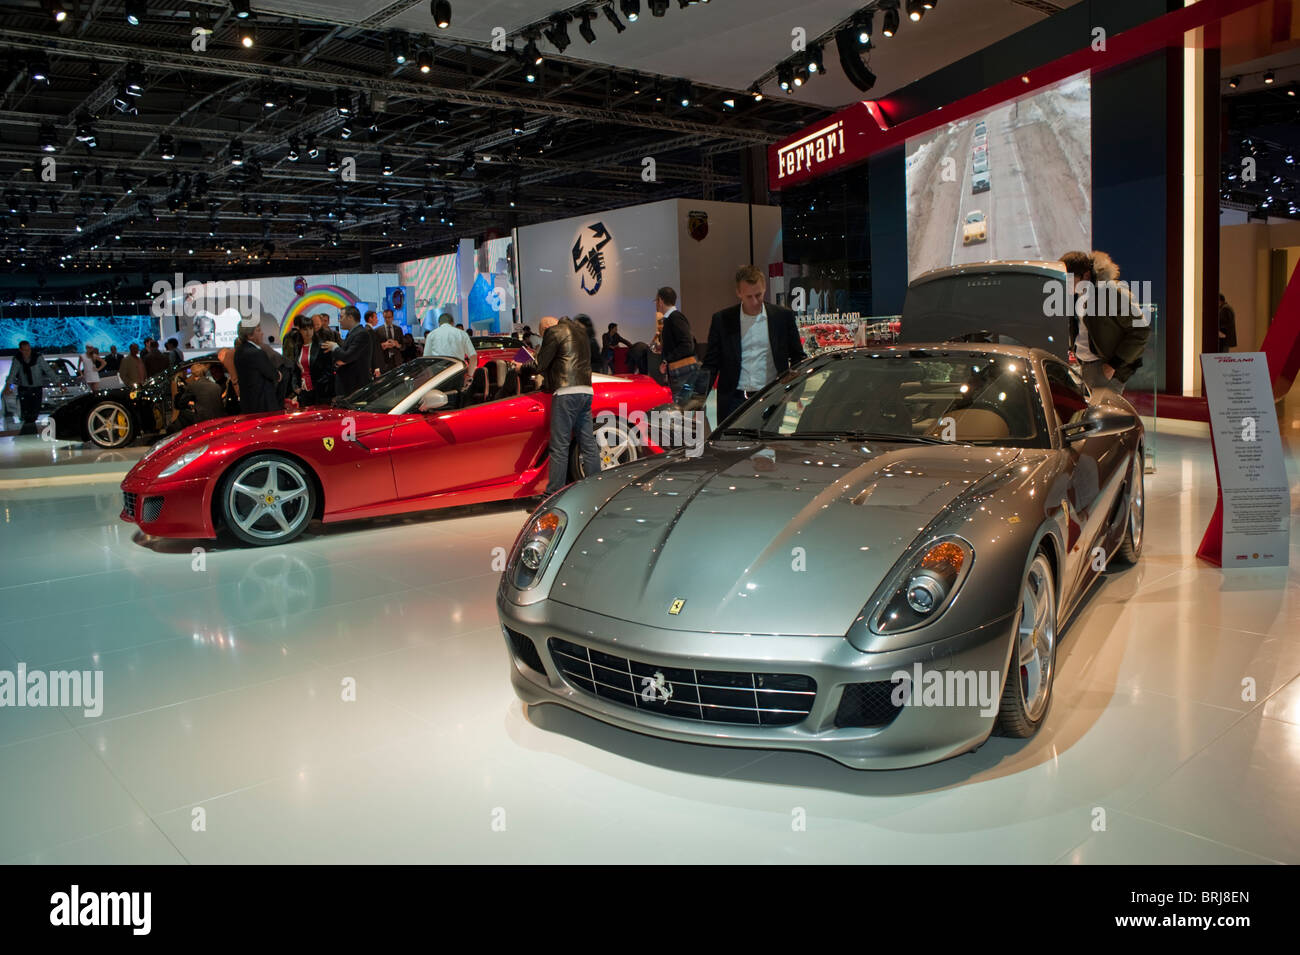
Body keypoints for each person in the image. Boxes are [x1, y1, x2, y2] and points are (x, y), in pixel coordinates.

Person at [704, 265, 806, 421]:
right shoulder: (722, 320)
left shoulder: (782, 317)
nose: (755, 301)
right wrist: (697, 397)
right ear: (739, 293)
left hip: (771, 396)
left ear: (764, 288)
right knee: (731, 444)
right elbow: (711, 364)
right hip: (733, 400)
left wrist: (793, 389)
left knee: (769, 444)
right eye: (749, 297)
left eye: (758, 295)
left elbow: (798, 357)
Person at [1061, 250, 1148, 393]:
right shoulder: (1078, 295)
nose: (1067, 285)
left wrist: (1114, 365)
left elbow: (1141, 331)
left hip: (1105, 369)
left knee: (1103, 414)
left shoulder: (1113, 292)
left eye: (1070, 280)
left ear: (1086, 275)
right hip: (1084, 367)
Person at [536, 315, 600, 492]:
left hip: (566, 393)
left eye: (541, 333)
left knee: (559, 446)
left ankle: (552, 494)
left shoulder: (553, 332)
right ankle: (597, 487)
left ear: (546, 328)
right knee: (588, 444)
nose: (543, 336)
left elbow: (540, 365)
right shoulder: (581, 333)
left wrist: (532, 357)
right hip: (586, 391)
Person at [657, 287, 701, 406]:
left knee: (685, 407)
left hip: (682, 372)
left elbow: (687, 344)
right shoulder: (673, 318)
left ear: (660, 300)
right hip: (681, 372)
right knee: (687, 407)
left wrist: (667, 359)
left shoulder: (675, 317)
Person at [4, 340, 57, 433]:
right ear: (20, 350)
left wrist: (58, 381)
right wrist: (8, 386)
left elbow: (47, 370)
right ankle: (28, 430)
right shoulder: (18, 359)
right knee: (26, 411)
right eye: (25, 350)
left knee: (35, 410)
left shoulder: (38, 357)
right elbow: (12, 373)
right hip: (24, 388)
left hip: (37, 387)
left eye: (28, 349)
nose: (27, 352)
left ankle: (31, 429)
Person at [232, 313, 280, 414]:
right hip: (262, 405)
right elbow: (271, 374)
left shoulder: (238, 352)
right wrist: (278, 374)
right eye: (258, 330)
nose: (262, 333)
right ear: (250, 335)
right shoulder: (256, 353)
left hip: (248, 404)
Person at [287, 314, 334, 407]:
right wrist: (295, 386)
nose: (308, 332)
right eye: (305, 329)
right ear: (300, 331)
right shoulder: (297, 347)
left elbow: (329, 370)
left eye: (310, 328)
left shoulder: (322, 346)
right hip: (303, 392)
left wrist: (317, 385)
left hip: (319, 391)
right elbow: (295, 369)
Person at [329, 305, 374, 395]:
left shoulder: (361, 333)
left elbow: (348, 356)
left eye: (341, 317)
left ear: (350, 317)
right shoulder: (352, 333)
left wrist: (334, 347)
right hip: (349, 384)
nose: (339, 320)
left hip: (355, 385)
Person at [172, 363, 225, 430]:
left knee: (183, 414)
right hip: (219, 418)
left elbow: (180, 403)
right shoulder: (216, 386)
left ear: (193, 374)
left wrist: (190, 403)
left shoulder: (192, 386)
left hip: (202, 420)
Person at [375, 308, 405, 372]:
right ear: (383, 317)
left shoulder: (398, 329)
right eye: (385, 317)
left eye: (389, 317)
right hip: (383, 361)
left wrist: (398, 345)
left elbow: (404, 346)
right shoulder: (377, 330)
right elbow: (375, 348)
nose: (387, 319)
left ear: (393, 317)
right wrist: (383, 346)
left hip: (397, 361)